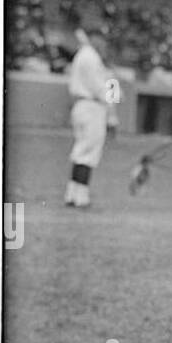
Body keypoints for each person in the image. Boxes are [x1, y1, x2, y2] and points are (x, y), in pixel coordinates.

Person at [65, 26, 112, 208]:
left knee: (81, 149)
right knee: (89, 151)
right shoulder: (91, 57)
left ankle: (72, 193)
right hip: (92, 105)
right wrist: (115, 92)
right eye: (101, 38)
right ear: (94, 38)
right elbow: (100, 88)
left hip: (82, 105)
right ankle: (81, 196)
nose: (104, 43)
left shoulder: (86, 55)